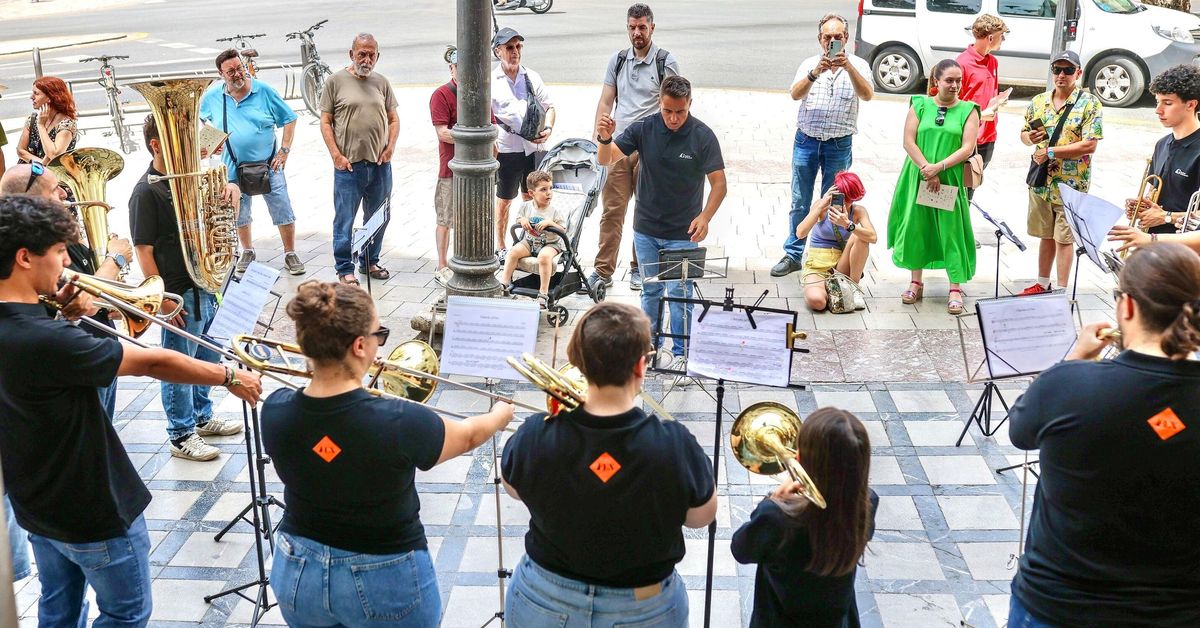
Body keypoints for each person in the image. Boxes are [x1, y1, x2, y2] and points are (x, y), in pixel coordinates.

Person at [0, 194, 261, 627]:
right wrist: (229, 375)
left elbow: (46, 369)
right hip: (93, 508)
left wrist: (69, 318)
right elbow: (152, 362)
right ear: (25, 257)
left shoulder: (36, 329)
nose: (66, 263)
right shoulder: (47, 339)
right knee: (127, 613)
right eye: (60, 252)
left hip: (36, 504)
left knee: (58, 606)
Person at [262, 279, 513, 627]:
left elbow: (330, 436)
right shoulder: (399, 421)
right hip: (384, 573)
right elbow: (469, 436)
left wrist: (357, 381)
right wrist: (501, 413)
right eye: (378, 335)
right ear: (359, 345)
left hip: (298, 566)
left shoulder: (275, 409)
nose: (380, 345)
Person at [1007, 242, 1200, 627]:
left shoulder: (1067, 384)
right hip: (1175, 613)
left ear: (1126, 307)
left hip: (1058, 605)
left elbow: (1021, 432)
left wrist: (1074, 358)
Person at [501, 302, 717, 627]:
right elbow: (701, 517)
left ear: (577, 361)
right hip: (644, 607)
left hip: (544, 598)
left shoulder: (535, 433)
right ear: (640, 366)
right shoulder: (675, 444)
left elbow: (513, 488)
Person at [129, 114, 245, 461]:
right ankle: (180, 434)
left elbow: (215, 216)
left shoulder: (190, 179)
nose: (191, 148)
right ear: (156, 145)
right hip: (177, 292)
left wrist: (231, 192)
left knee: (206, 355)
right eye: (179, 141)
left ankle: (202, 416)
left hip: (205, 284)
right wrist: (162, 298)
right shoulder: (146, 191)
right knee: (179, 363)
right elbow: (143, 250)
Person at [596, 75, 726, 369]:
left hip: (684, 232)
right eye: (668, 111)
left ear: (690, 104)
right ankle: (650, 350)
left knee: (680, 293)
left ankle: (682, 354)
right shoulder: (644, 128)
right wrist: (604, 138)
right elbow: (606, 159)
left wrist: (705, 217)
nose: (674, 118)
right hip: (646, 229)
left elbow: (719, 184)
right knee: (650, 291)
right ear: (659, 103)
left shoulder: (703, 136)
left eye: (680, 111)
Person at [1, 163, 134, 420]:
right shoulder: (39, 248)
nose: (64, 194)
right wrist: (115, 259)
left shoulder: (60, 237)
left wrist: (116, 302)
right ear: (30, 199)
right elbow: (84, 297)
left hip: (98, 342)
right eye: (54, 190)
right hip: (77, 358)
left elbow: (93, 292)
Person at [731, 408, 878, 628]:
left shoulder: (776, 518)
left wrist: (773, 500)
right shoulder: (867, 504)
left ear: (800, 458)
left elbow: (741, 549)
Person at [772, 13, 873, 278]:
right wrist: (815, 72)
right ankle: (794, 254)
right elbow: (795, 94)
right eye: (827, 37)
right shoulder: (809, 63)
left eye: (837, 36)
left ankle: (834, 254)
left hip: (839, 143)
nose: (832, 41)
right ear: (820, 39)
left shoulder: (859, 65)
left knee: (836, 201)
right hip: (806, 140)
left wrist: (848, 68)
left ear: (846, 38)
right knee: (800, 200)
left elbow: (867, 95)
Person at [588, 2, 680, 292]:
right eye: (632, 27)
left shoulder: (665, 61)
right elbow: (606, 101)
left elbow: (675, 107)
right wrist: (599, 138)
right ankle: (603, 271)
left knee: (647, 211)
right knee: (612, 211)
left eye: (642, 27)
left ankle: (640, 267)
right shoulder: (618, 60)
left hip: (651, 149)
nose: (637, 33)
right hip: (618, 147)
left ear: (652, 27)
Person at [887, 59, 980, 315]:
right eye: (949, 80)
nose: (955, 85)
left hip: (948, 179)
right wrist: (926, 169)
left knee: (952, 231)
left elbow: (967, 148)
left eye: (958, 81)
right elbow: (908, 141)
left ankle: (955, 287)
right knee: (917, 227)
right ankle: (915, 282)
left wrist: (938, 168)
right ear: (936, 81)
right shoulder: (919, 104)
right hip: (918, 176)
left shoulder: (969, 110)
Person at [201, 49, 305, 276]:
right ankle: (247, 250)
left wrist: (284, 151)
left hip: (268, 164)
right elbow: (199, 119)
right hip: (232, 167)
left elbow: (290, 118)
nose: (238, 74)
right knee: (239, 211)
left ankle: (290, 253)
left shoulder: (263, 90)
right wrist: (210, 142)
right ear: (221, 74)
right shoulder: (212, 96)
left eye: (239, 68)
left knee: (282, 207)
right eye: (231, 71)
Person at [1019, 51, 1103, 295]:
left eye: (1068, 70)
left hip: (1071, 185)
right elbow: (1023, 134)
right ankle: (1042, 283)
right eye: (1057, 69)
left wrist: (1051, 152)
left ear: (1078, 73)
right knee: (1045, 235)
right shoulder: (1038, 102)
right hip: (1041, 181)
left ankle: (1062, 291)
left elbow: (1090, 145)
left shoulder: (1090, 104)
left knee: (1064, 239)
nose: (1061, 75)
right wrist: (1030, 137)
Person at [320, 32, 399, 287]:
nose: (366, 59)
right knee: (345, 218)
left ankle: (369, 260)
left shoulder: (381, 82)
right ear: (351, 54)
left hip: (380, 165)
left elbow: (393, 119)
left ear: (377, 56)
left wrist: (390, 148)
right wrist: (336, 155)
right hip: (349, 166)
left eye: (371, 55)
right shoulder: (335, 81)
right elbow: (326, 122)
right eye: (362, 54)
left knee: (379, 216)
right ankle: (345, 268)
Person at [491, 27, 556, 257]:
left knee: (533, 197)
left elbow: (550, 107)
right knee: (505, 200)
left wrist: (548, 128)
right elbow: (484, 116)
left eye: (518, 46)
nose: (515, 51)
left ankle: (533, 242)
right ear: (498, 52)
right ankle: (501, 247)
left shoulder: (531, 76)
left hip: (535, 148)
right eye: (509, 47)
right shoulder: (491, 81)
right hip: (508, 149)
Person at [1124, 64, 1200, 235]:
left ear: (1191, 105)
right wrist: (1142, 207)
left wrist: (1166, 217)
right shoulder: (1162, 144)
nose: (1158, 110)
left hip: (1184, 244)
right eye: (1157, 102)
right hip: (1154, 239)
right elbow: (1154, 191)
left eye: (1167, 103)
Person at [794, 172, 876, 312]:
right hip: (817, 267)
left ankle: (854, 288)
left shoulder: (858, 211)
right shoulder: (821, 207)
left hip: (840, 268)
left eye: (851, 199)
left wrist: (848, 224)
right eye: (844, 198)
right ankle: (830, 290)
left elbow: (873, 237)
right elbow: (800, 233)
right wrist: (820, 206)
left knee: (860, 235)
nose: (847, 203)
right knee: (817, 302)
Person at [956, 14, 1010, 202]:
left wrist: (998, 101)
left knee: (972, 186)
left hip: (988, 135)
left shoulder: (993, 62)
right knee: (960, 190)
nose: (1003, 40)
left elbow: (988, 91)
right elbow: (953, 105)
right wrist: (979, 115)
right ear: (991, 37)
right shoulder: (962, 63)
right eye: (1002, 36)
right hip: (967, 138)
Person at [500, 170, 567, 306]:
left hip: (551, 243)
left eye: (550, 188)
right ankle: (504, 284)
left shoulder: (555, 211)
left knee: (544, 257)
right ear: (531, 193)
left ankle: (543, 293)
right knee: (512, 252)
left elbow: (563, 230)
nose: (549, 193)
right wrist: (522, 220)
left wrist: (550, 223)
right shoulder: (526, 206)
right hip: (530, 241)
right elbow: (519, 218)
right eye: (543, 189)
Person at [16, 76, 77, 164]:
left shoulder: (66, 124)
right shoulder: (32, 120)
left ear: (50, 97)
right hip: (29, 170)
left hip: (52, 172)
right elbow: (20, 151)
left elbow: (55, 155)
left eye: (36, 93)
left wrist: (41, 126)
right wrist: (41, 165)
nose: (31, 97)